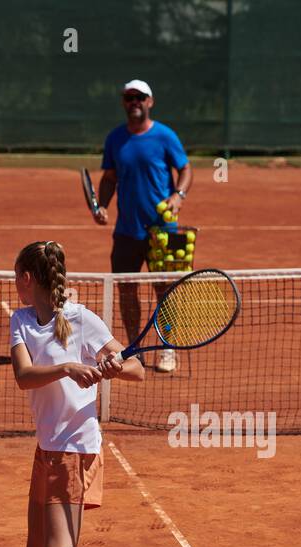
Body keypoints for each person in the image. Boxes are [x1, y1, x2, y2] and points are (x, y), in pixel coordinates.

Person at [8, 239, 146, 547]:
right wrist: (68, 366)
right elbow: (25, 377)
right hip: (47, 450)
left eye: (16, 274)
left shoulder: (84, 319)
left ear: (29, 278)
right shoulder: (21, 321)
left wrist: (111, 367)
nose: (14, 281)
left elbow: (137, 369)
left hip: (75, 454)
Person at [91, 79, 192, 372]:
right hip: (126, 230)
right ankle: (135, 347)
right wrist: (102, 206)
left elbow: (185, 169)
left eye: (139, 97)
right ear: (124, 102)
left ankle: (167, 347)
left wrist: (179, 195)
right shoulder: (115, 139)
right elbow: (110, 177)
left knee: (165, 289)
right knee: (126, 289)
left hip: (163, 231)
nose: (134, 101)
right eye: (129, 97)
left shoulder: (165, 136)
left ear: (150, 101)